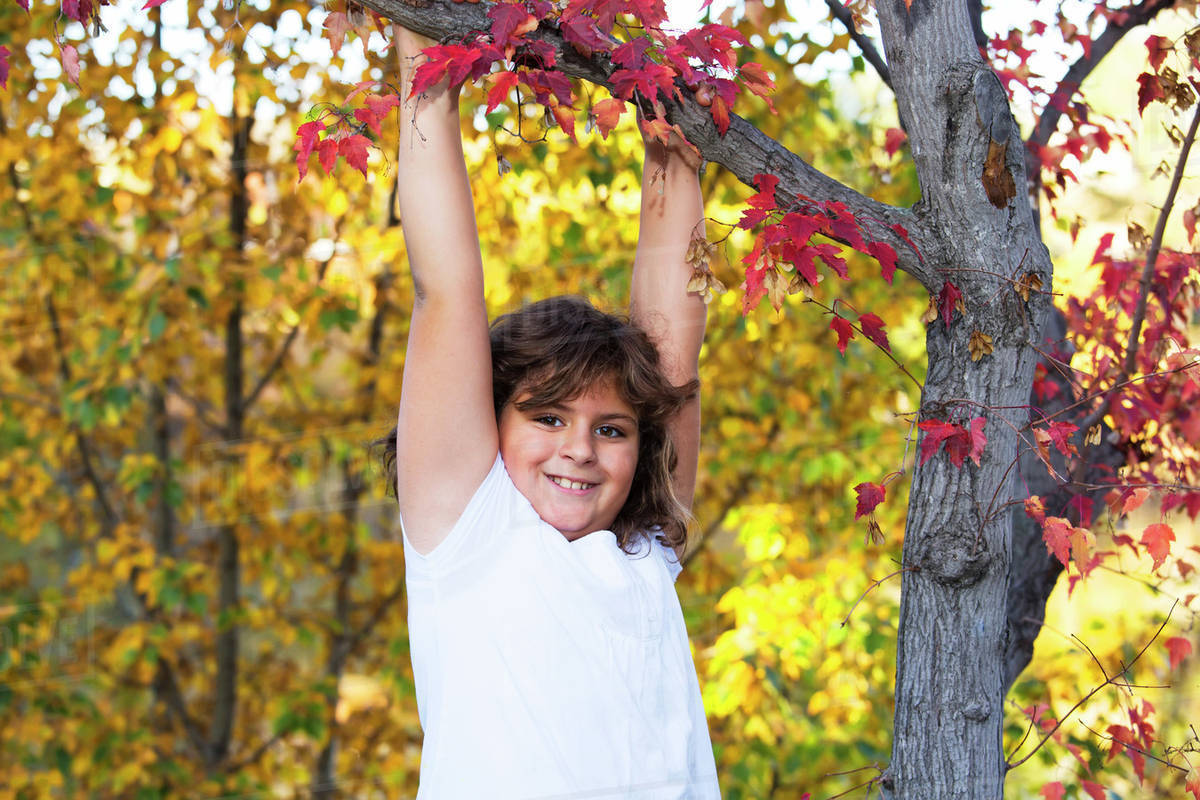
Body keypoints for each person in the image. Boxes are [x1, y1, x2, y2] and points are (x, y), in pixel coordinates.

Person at [377, 24, 720, 798]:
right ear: (491, 417)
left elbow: (673, 357)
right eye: (548, 418)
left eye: (611, 430)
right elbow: (448, 291)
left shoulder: (644, 555)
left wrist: (673, 143)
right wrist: (422, 63)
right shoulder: (467, 531)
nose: (581, 450)